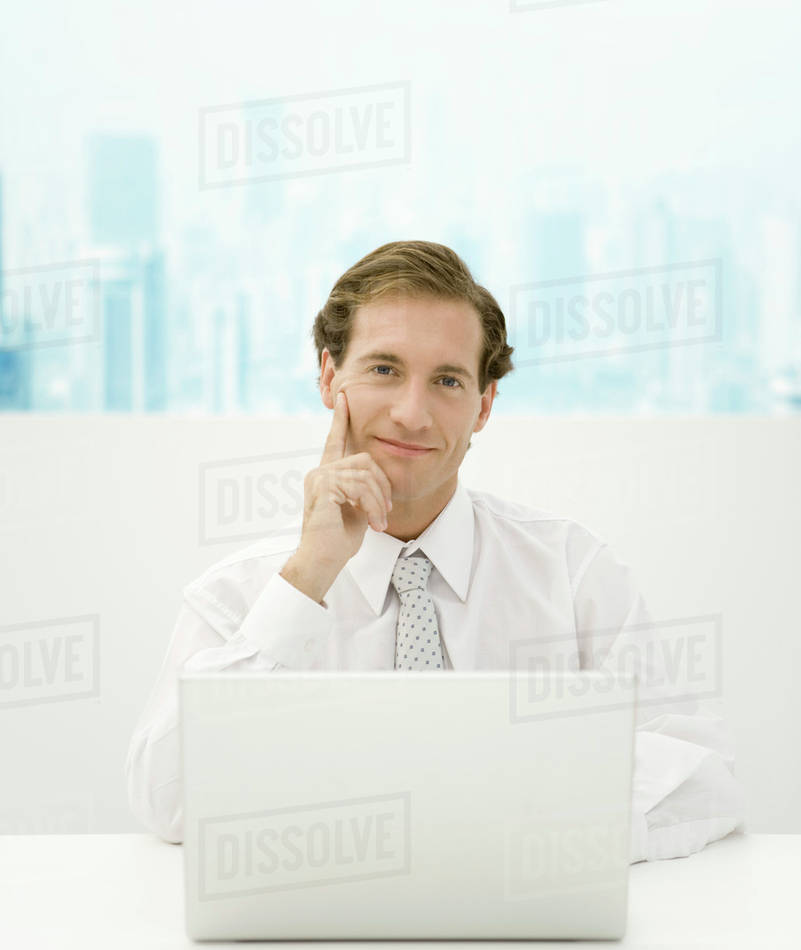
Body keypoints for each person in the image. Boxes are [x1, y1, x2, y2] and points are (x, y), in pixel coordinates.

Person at [126, 240, 747, 858]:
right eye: (384, 369)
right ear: (327, 376)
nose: (412, 414)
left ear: (483, 406)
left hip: (523, 934)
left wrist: (509, 822)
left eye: (447, 380)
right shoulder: (240, 595)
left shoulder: (571, 574)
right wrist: (309, 575)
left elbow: (704, 778)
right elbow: (168, 801)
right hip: (317, 946)